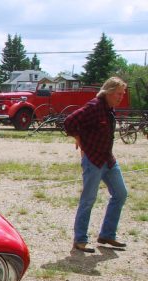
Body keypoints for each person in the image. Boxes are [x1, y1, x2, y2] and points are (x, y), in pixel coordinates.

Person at [64, 77, 128, 253]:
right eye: (118, 93)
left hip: (108, 159)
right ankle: (80, 240)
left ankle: (107, 234)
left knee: (121, 194)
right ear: (108, 92)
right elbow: (69, 122)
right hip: (93, 160)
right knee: (88, 200)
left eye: (122, 93)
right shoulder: (93, 107)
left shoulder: (108, 109)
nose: (121, 97)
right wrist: (78, 137)